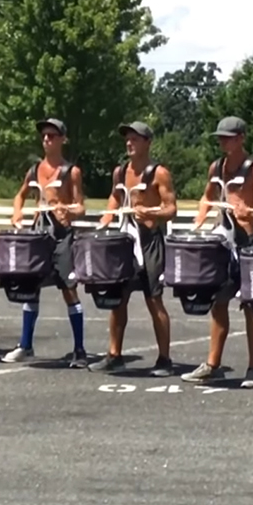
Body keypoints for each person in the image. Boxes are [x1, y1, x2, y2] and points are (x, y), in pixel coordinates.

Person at [181, 116, 253, 387]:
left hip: (247, 243)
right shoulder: (217, 167)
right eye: (220, 137)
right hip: (222, 243)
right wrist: (199, 220)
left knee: (251, 308)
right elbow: (207, 197)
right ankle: (213, 364)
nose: (223, 141)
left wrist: (250, 213)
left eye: (228, 137)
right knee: (218, 304)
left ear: (241, 137)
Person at [91, 121, 177, 375]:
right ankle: (114, 354)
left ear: (148, 142)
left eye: (135, 139)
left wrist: (152, 212)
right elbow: (115, 198)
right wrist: (105, 220)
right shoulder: (120, 173)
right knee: (118, 300)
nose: (129, 143)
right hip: (124, 240)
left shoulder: (159, 173)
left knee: (154, 299)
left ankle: (164, 359)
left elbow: (171, 208)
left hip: (149, 241)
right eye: (127, 139)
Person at [2, 118, 89, 368]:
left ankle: (79, 350)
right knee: (31, 286)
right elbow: (20, 196)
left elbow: (81, 206)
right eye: (44, 136)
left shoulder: (71, 171)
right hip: (38, 233)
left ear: (62, 139)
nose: (47, 139)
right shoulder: (34, 170)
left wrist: (69, 211)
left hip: (61, 235)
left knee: (68, 288)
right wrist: (17, 212)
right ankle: (26, 345)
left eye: (52, 135)